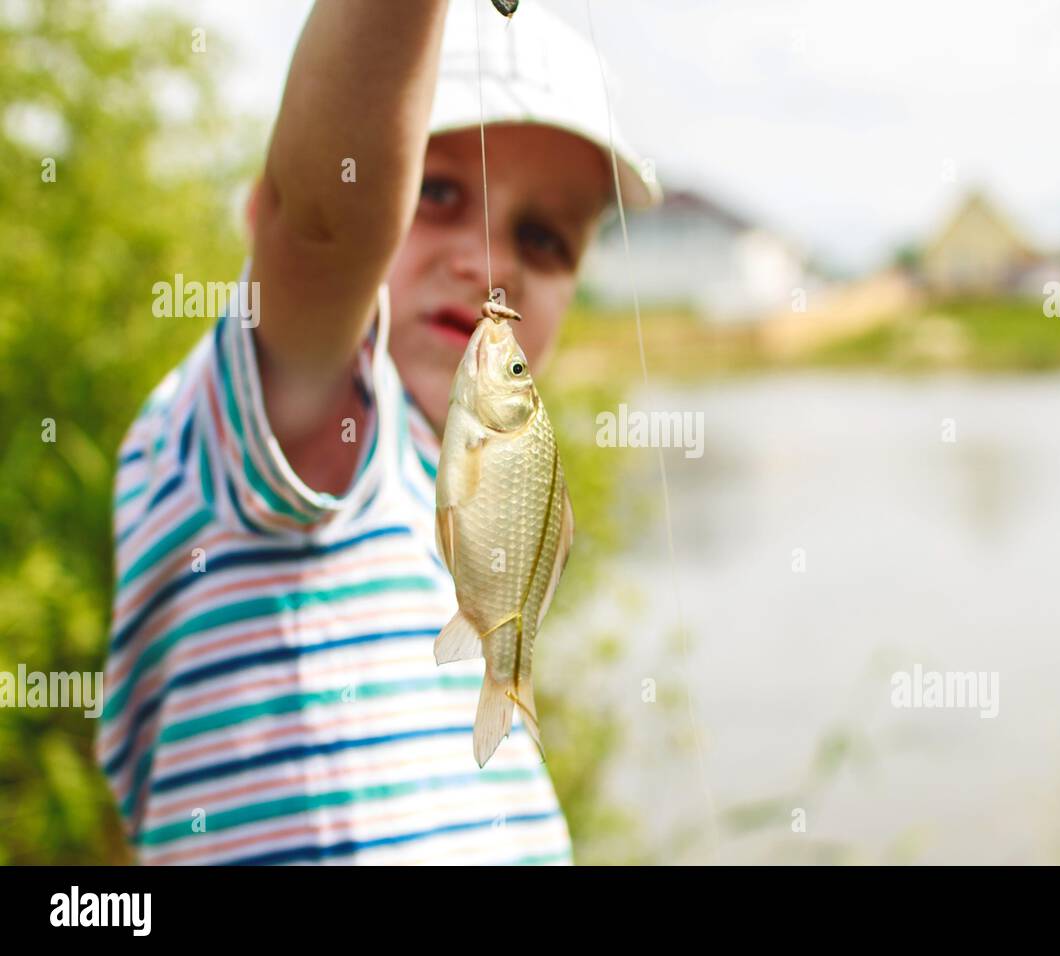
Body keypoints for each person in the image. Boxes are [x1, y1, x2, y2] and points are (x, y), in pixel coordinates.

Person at [95, 0, 659, 865]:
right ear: (263, 210)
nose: (488, 261)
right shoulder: (282, 430)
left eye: (542, 238)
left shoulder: (440, 479)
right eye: (435, 193)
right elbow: (324, 226)